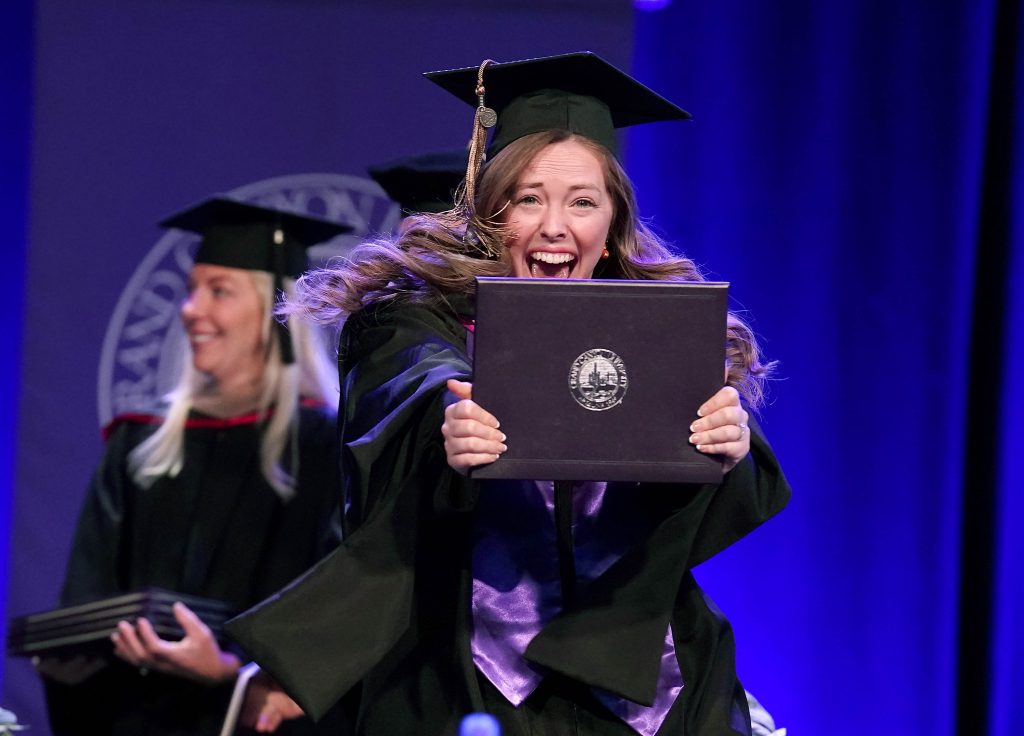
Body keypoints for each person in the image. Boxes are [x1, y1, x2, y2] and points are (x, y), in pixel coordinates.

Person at [227, 52, 792, 736]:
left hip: (652, 682)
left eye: (583, 201)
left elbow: (710, 497)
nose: (556, 227)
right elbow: (418, 382)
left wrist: (724, 447)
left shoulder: (660, 330)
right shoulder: (413, 318)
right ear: (492, 210)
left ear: (611, 224)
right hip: (469, 676)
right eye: (529, 197)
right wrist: (452, 427)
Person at [39, 197, 352, 736]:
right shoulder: (142, 442)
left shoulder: (326, 449)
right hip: (132, 716)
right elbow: (87, 593)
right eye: (190, 290)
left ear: (273, 312)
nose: (190, 310)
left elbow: (335, 621)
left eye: (219, 291)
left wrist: (231, 672)